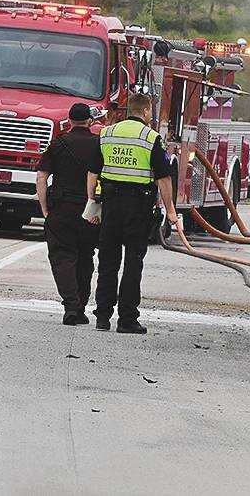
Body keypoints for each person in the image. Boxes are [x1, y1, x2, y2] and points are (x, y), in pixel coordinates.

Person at [85, 94, 178, 333]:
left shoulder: (107, 133)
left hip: (111, 206)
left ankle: (102, 317)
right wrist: (171, 211)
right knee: (133, 263)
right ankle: (127, 319)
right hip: (138, 208)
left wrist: (91, 202)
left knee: (107, 262)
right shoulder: (151, 138)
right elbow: (164, 178)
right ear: (146, 111)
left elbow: (93, 173)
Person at [36, 103, 100, 326]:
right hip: (89, 211)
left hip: (61, 209)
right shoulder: (98, 144)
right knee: (85, 258)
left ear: (69, 120)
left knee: (62, 258)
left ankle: (71, 306)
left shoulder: (58, 144)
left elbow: (42, 178)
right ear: (90, 121)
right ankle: (80, 306)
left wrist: (45, 209)